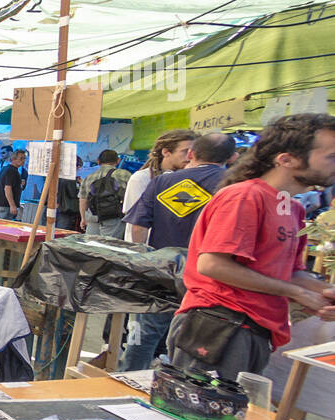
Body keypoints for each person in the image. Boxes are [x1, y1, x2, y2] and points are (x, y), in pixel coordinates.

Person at [166, 114, 335, 384]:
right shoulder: (245, 196)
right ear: (286, 159)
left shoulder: (293, 208)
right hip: (220, 324)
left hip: (255, 328)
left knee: (229, 416)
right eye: (331, 157)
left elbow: (287, 272)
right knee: (204, 416)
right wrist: (297, 293)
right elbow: (212, 265)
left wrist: (323, 293)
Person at [118, 133, 234, 371]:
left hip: (163, 271)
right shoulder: (234, 187)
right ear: (232, 157)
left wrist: (146, 261)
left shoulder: (162, 182)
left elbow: (139, 225)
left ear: (192, 154)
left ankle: (127, 379)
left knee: (145, 334)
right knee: (194, 339)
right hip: (207, 277)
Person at [123, 129, 194, 242]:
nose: (190, 157)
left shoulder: (189, 179)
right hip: (148, 247)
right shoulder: (141, 178)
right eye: (185, 151)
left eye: (193, 153)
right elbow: (136, 221)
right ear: (166, 152)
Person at [80, 149, 132, 238]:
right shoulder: (125, 174)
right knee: (109, 246)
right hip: (113, 216)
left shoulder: (89, 177)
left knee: (91, 246)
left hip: (93, 216)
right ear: (118, 161)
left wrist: (83, 218)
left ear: (98, 161)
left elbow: (83, 199)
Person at [0, 149, 27, 220]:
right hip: (6, 206)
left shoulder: (7, 169)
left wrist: (20, 185)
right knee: (5, 228)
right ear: (13, 159)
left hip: (1, 204)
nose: (23, 160)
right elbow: (7, 189)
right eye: (21, 158)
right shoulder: (11, 171)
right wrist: (12, 205)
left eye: (24, 158)